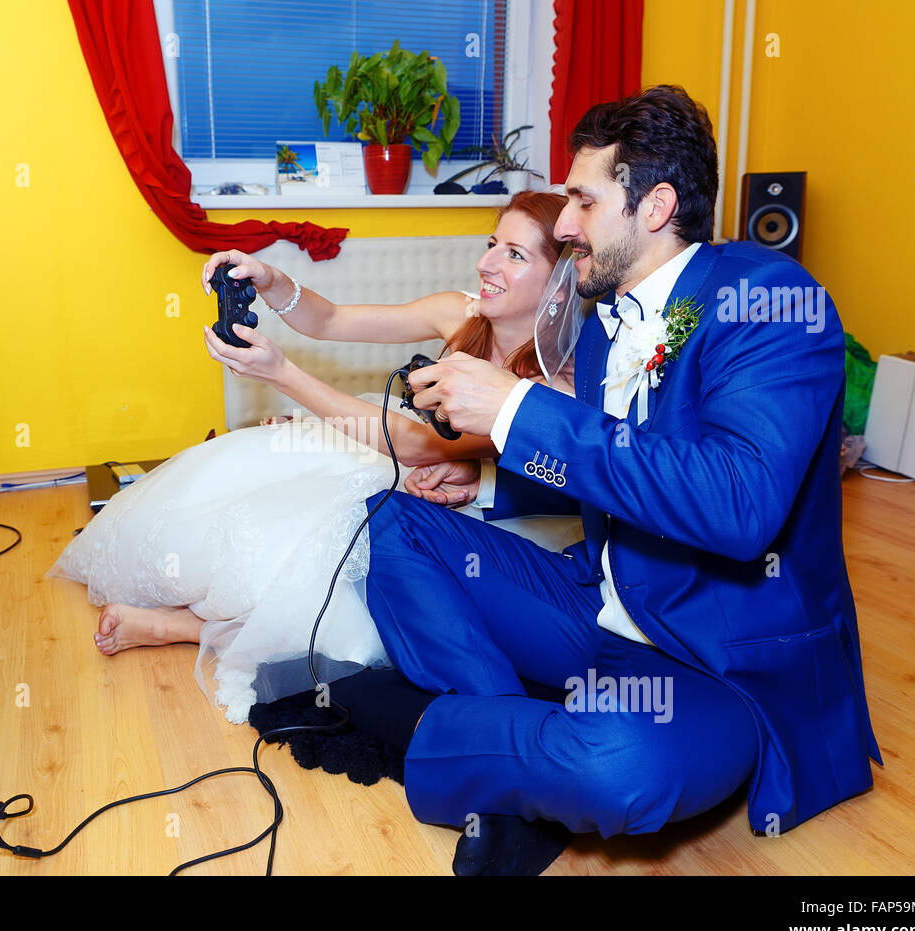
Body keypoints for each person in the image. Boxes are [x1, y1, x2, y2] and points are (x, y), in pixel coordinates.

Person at [337, 85, 881, 875]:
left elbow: (739, 503)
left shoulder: (771, 300)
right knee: (387, 523)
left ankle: (432, 725)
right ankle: (515, 750)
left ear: (654, 206)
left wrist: (519, 409)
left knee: (622, 766)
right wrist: (485, 485)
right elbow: (618, 476)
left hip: (718, 659)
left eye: (584, 201)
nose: (563, 225)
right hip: (600, 606)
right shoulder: (599, 333)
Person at [48, 192, 587, 723]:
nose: (485, 262)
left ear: (560, 284)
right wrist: (274, 281)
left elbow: (421, 445)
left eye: (514, 255)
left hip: (446, 495)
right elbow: (331, 320)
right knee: (254, 467)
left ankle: (182, 626)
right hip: (392, 450)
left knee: (329, 563)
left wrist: (283, 375)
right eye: (492, 244)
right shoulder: (459, 313)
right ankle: (192, 608)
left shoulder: (551, 387)